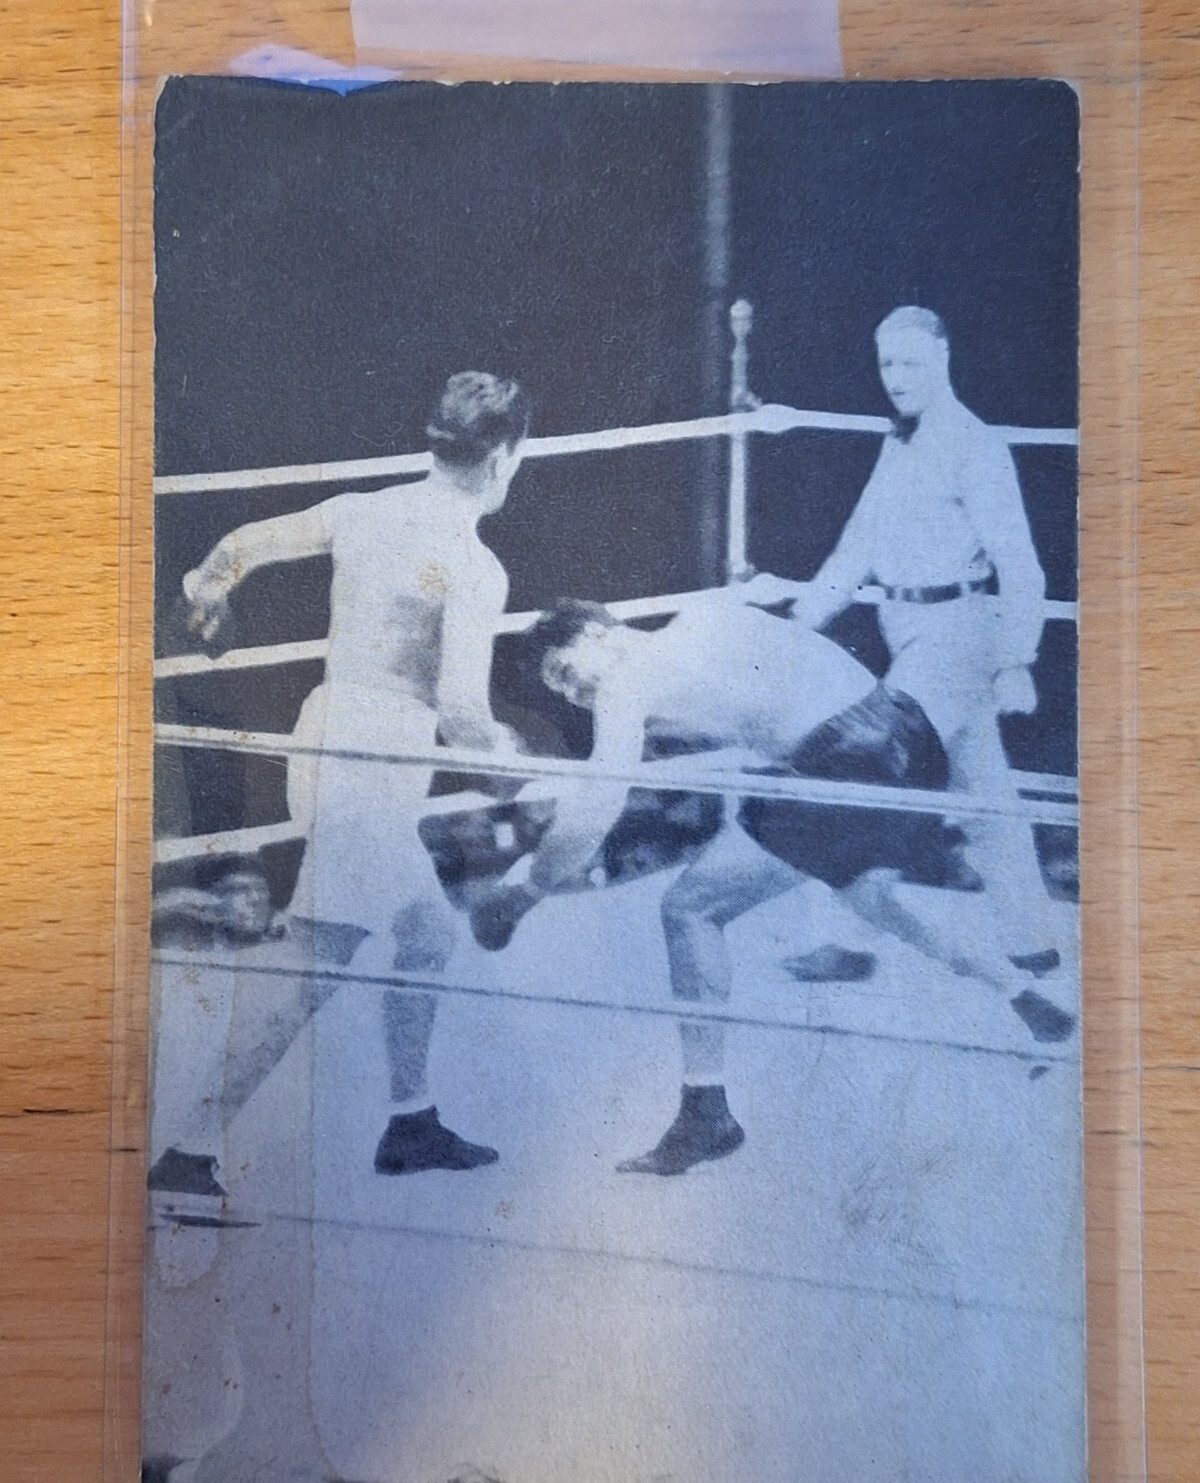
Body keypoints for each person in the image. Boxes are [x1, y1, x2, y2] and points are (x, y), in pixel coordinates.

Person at [466, 590, 1073, 1177]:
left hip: (844, 760)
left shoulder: (627, 679)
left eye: (566, 673)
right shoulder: (707, 614)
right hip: (902, 726)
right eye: (563, 692)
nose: (575, 694)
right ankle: (1025, 996)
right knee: (868, 896)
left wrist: (527, 891)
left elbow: (599, 804)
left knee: (689, 908)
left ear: (599, 635)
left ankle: (706, 1112)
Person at [165, 370, 530, 1184]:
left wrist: (207, 596)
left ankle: (412, 1121)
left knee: (427, 934)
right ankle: (189, 1150)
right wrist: (512, 765)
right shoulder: (473, 566)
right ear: (502, 457)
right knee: (312, 962)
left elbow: (239, 546)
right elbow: (462, 711)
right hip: (374, 763)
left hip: (329, 732)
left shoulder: (364, 510)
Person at [758, 305, 1061, 977]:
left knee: (865, 766)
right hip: (910, 629)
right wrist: (798, 624)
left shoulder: (975, 446)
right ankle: (1034, 943)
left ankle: (850, 943)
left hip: (956, 634)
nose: (896, 377)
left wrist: (1017, 659)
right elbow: (857, 547)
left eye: (911, 363)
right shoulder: (898, 442)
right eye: (887, 363)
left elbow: (1020, 562)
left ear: (944, 359)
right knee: (986, 793)